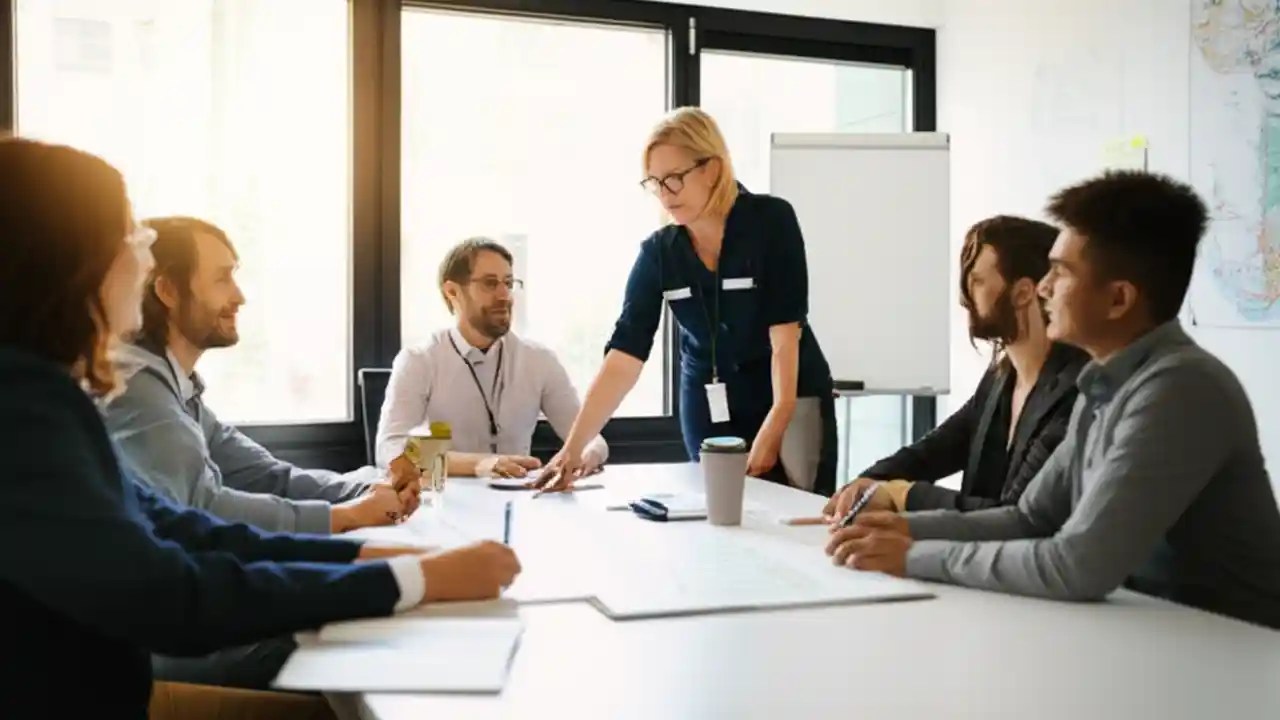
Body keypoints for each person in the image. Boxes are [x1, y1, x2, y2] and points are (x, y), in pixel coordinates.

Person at [0, 138, 521, 714]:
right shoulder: (27, 409)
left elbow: (189, 524)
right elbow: (172, 584)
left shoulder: (50, 396)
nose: (142, 264)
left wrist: (381, 554)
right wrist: (405, 571)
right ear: (68, 261)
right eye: (132, 240)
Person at [825, 171, 1280, 630]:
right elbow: (1030, 519)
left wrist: (915, 556)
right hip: (1152, 633)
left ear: (1118, 299)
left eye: (1060, 273)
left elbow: (1080, 563)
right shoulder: (1105, 382)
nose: (1042, 288)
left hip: (1234, 652)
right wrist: (905, 528)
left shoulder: (1180, 389)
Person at [534, 107, 837, 495]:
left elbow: (784, 334)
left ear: (711, 168)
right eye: (655, 182)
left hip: (788, 389)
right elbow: (624, 357)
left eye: (674, 179)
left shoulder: (770, 220)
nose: (664, 194)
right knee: (718, 506)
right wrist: (571, 451)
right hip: (708, 392)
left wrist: (778, 418)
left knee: (800, 508)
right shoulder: (660, 252)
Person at [104, 216, 417, 539]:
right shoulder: (136, 385)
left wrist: (363, 488)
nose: (239, 296)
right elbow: (199, 507)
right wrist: (345, 515)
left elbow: (268, 476)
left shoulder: (180, 389)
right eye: (222, 279)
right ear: (168, 291)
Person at [823, 216, 1088, 518]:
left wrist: (901, 496)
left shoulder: (1078, 390)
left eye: (976, 281)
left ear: (1023, 292)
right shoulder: (1001, 377)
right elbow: (936, 450)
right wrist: (867, 483)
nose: (965, 299)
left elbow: (1017, 516)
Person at [376, 238, 608, 479]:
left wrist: (587, 453)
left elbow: (590, 438)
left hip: (519, 502)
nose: (504, 295)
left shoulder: (539, 360)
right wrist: (481, 464)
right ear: (452, 291)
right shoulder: (420, 360)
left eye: (508, 283)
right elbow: (390, 449)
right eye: (490, 283)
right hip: (445, 504)